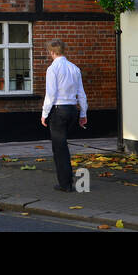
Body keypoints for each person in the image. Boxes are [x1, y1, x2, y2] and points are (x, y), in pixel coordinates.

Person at [41, 38, 87, 192]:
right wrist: (83, 113)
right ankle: (68, 180)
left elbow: (51, 94)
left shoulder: (52, 69)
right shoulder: (74, 68)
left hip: (58, 110)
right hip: (73, 109)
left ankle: (65, 184)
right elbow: (81, 93)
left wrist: (44, 113)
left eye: (50, 52)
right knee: (64, 145)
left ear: (52, 52)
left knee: (59, 148)